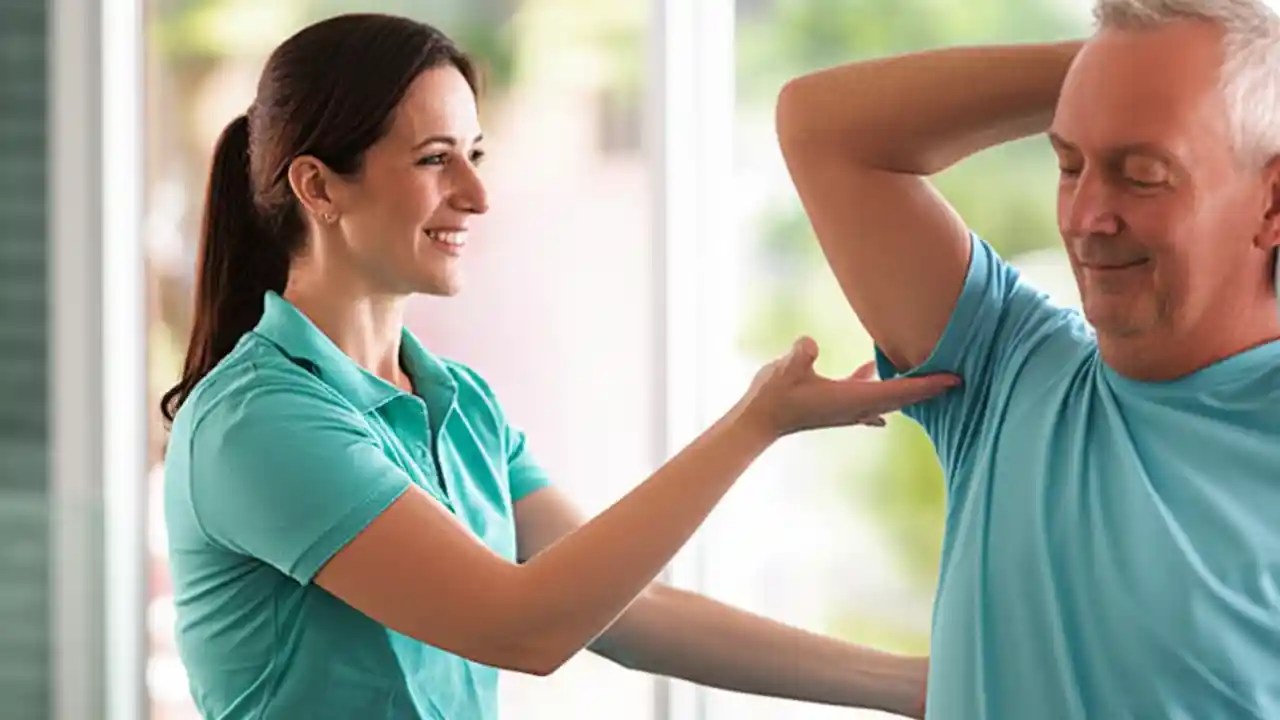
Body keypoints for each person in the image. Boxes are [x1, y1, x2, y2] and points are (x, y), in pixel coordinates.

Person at [160, 13, 958, 720]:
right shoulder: (258, 422)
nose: (477, 194)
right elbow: (522, 626)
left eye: (475, 154)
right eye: (435, 159)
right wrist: (757, 422)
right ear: (318, 187)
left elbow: (630, 611)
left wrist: (915, 687)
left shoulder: (459, 404)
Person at [776, 0, 1280, 718]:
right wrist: (1117, 69)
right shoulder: (1004, 373)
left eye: (1142, 175)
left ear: (1271, 204)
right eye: (1070, 165)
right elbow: (822, 128)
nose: (1084, 217)